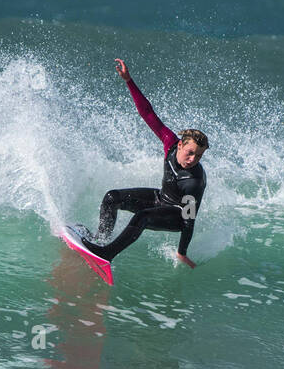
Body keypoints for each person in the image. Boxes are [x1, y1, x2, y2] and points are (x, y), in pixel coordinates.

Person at [81, 59, 208, 268]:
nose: (193, 159)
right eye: (190, 153)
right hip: (161, 199)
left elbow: (188, 219)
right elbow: (147, 113)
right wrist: (128, 80)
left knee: (143, 217)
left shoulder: (194, 181)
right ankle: (100, 241)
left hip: (176, 215)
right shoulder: (170, 143)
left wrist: (182, 252)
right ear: (181, 145)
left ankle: (106, 254)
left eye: (199, 156)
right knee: (112, 197)